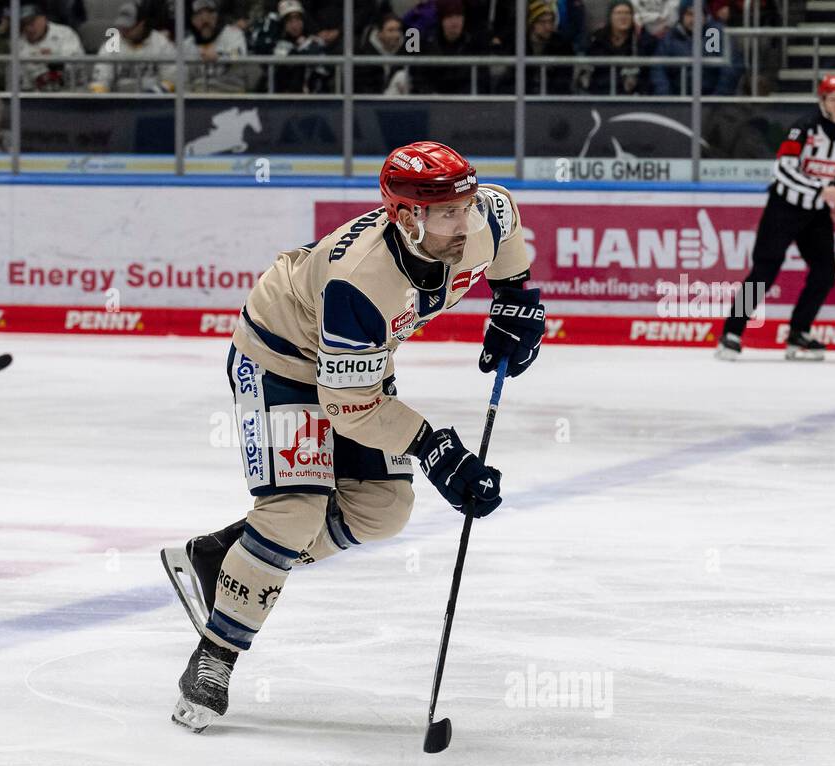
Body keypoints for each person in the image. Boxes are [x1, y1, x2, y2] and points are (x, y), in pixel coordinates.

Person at [160, 141, 547, 732]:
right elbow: (350, 407)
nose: (462, 223)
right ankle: (215, 655)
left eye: (464, 205)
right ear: (405, 216)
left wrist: (516, 300)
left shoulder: (483, 215)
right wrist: (437, 450)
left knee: (383, 509)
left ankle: (221, 558)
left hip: (359, 359)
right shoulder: (360, 282)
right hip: (282, 357)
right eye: (446, 213)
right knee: (295, 508)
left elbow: (507, 226)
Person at [716, 75, 835, 361]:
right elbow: (783, 169)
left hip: (816, 213)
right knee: (765, 270)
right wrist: (822, 189)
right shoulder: (804, 128)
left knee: (826, 271)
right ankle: (731, 333)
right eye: (832, 99)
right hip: (784, 207)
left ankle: (798, 332)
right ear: (822, 101)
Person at [651, 0, 742, 96]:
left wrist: (717, 98)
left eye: (698, 14)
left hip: (714, 102)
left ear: (705, 16)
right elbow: (658, 69)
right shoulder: (670, 38)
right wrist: (667, 98)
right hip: (677, 101)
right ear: (682, 16)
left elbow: (731, 68)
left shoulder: (714, 34)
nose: (694, 19)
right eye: (689, 14)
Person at [89, 2, 178, 93]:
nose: (124, 31)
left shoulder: (161, 43)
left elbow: (172, 79)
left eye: (128, 28)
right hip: (120, 102)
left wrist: (151, 94)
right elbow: (100, 82)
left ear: (141, 24)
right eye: (122, 27)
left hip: (155, 101)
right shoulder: (111, 45)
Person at [580, 0, 655, 95]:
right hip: (599, 95)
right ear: (610, 17)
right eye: (618, 13)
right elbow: (586, 74)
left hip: (632, 98)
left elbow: (647, 76)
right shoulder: (596, 40)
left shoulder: (642, 41)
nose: (623, 17)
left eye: (627, 13)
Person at [182, 0, 248, 93]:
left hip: (231, 93)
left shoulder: (233, 34)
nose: (205, 19)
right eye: (199, 14)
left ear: (217, 16)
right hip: (198, 96)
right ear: (192, 20)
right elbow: (184, 81)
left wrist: (220, 56)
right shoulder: (187, 44)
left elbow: (238, 54)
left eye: (209, 13)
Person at [18, 3, 85, 91]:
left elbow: (78, 64)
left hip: (71, 92)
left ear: (44, 19)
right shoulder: (19, 43)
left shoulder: (65, 33)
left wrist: (54, 58)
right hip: (36, 96)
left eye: (32, 22)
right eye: (25, 24)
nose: (29, 28)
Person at [354, 10, 408, 95]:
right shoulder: (363, 50)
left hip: (399, 102)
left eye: (398, 30)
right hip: (370, 101)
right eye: (390, 30)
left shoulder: (406, 49)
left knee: (402, 76)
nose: (396, 35)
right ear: (379, 33)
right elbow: (360, 84)